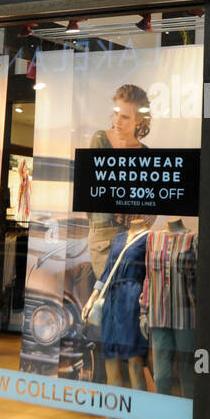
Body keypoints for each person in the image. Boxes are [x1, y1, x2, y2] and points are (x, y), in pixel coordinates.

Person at [87, 84, 151, 279]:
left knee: (128, 299)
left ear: (139, 121)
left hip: (133, 236)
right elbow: (93, 193)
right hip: (104, 236)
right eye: (116, 113)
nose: (117, 121)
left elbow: (148, 202)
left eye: (125, 117)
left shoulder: (145, 153)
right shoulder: (101, 139)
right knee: (108, 296)